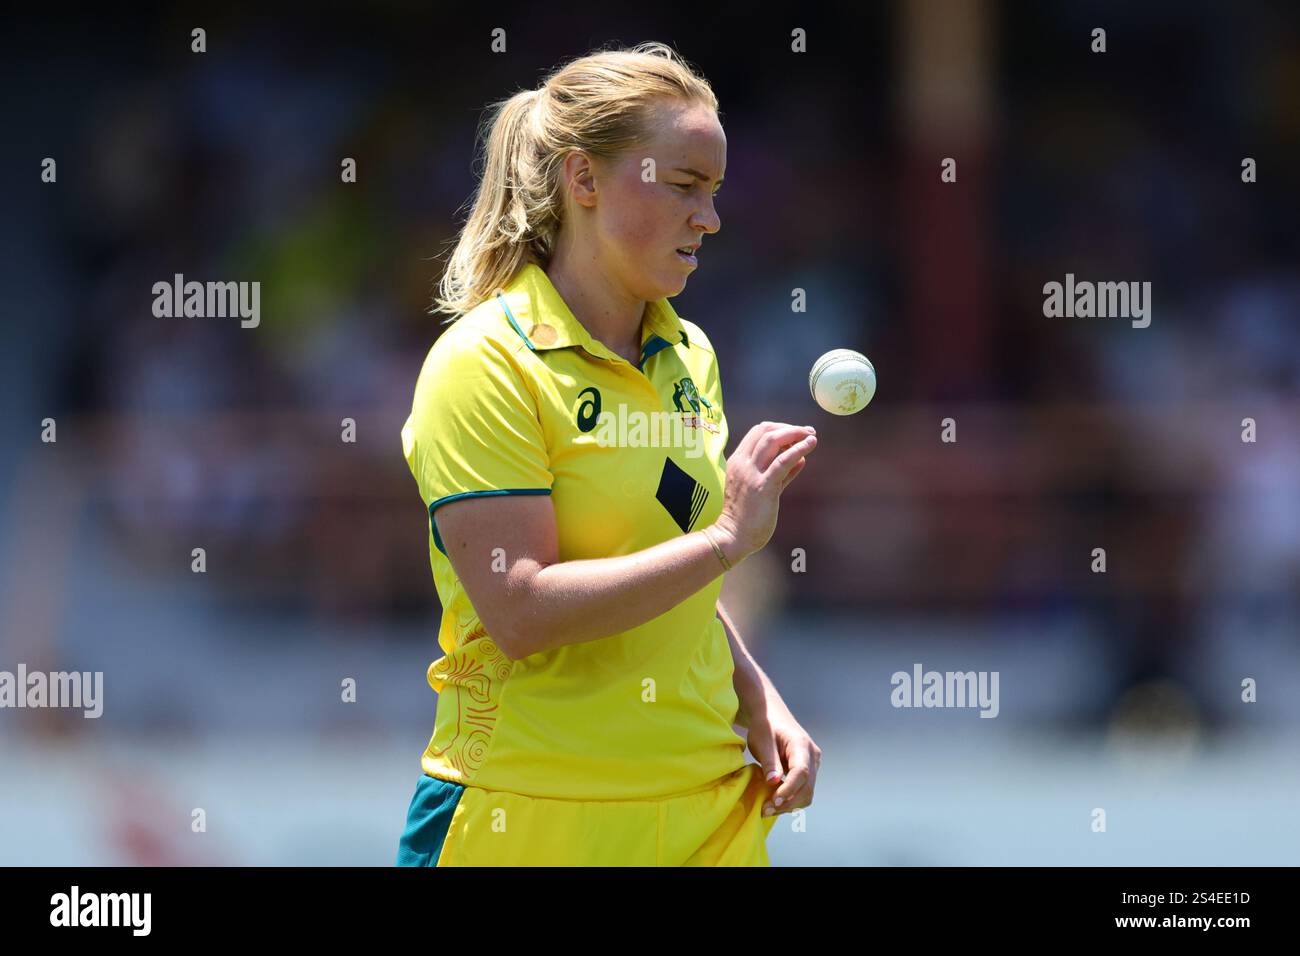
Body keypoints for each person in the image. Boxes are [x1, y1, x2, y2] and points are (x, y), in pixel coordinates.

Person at [396, 42, 820, 867]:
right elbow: (519, 611)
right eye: (685, 185)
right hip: (525, 816)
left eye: (716, 191)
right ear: (583, 180)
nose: (711, 217)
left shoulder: (689, 353)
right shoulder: (484, 361)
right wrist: (728, 538)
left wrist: (755, 692)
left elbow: (668, 574)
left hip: (707, 812)